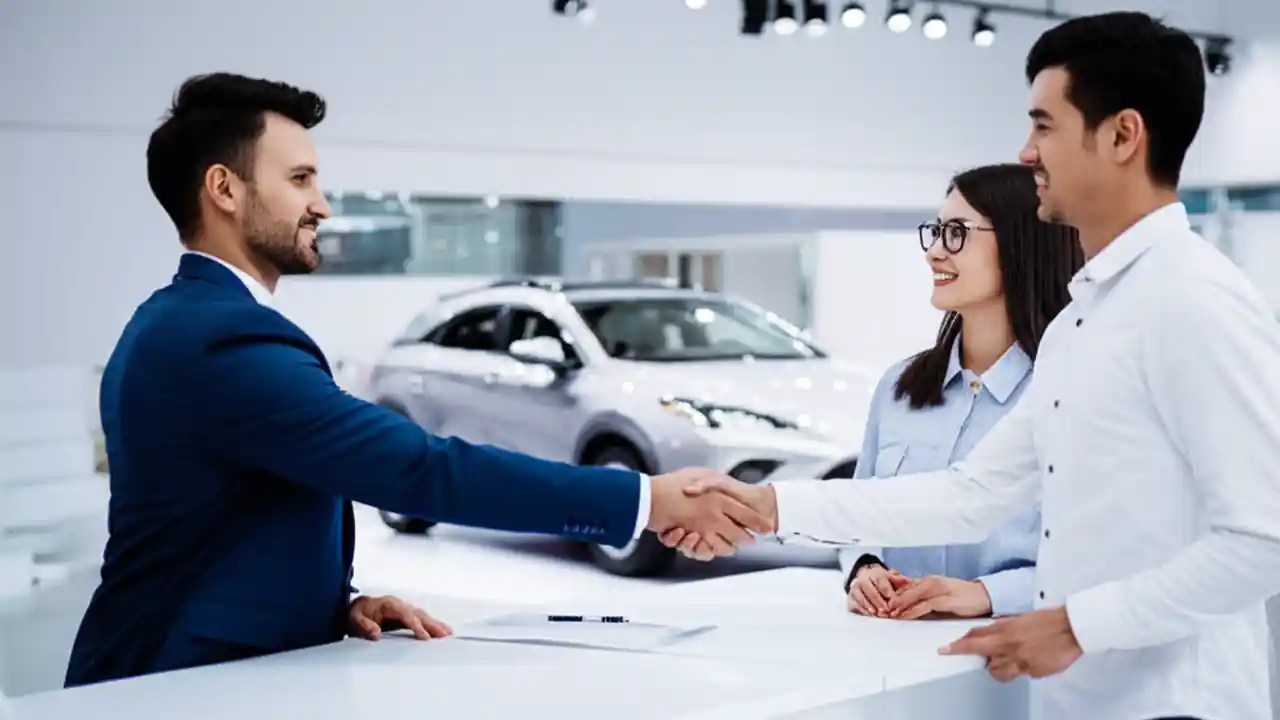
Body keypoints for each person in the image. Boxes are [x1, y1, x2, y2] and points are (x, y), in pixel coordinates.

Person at [667, 12, 1280, 720]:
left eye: (1044, 126)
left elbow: (1263, 538)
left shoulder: (1196, 301)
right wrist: (769, 506)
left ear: (1121, 135)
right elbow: (973, 492)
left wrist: (1079, 624)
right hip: (1073, 704)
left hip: (1177, 707)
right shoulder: (1085, 320)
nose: (1026, 153)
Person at [64, 73, 769, 688]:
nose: (324, 205)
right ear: (224, 187)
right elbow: (415, 468)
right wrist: (645, 501)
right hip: (172, 682)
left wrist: (333, 605)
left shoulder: (183, 321)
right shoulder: (219, 336)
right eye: (300, 179)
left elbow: (219, 516)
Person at [841, 164, 1081, 622]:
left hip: (1011, 659)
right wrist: (863, 567)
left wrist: (987, 594)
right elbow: (860, 513)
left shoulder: (1067, 391)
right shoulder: (898, 387)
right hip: (888, 654)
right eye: (934, 232)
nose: (933, 252)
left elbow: (1099, 560)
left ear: (1020, 242)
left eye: (956, 233)